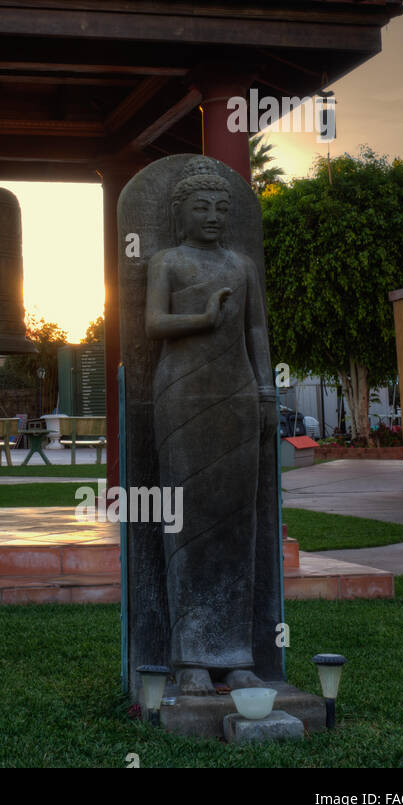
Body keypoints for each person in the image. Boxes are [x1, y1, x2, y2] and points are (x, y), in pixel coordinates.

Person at [144, 158, 276, 695]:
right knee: (186, 518)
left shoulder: (242, 264)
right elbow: (154, 324)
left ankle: (235, 653)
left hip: (237, 392)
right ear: (180, 214)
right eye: (202, 207)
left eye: (223, 208)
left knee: (234, 522)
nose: (214, 217)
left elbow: (258, 331)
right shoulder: (167, 262)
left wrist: (267, 391)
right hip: (181, 393)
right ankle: (190, 656)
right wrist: (202, 318)